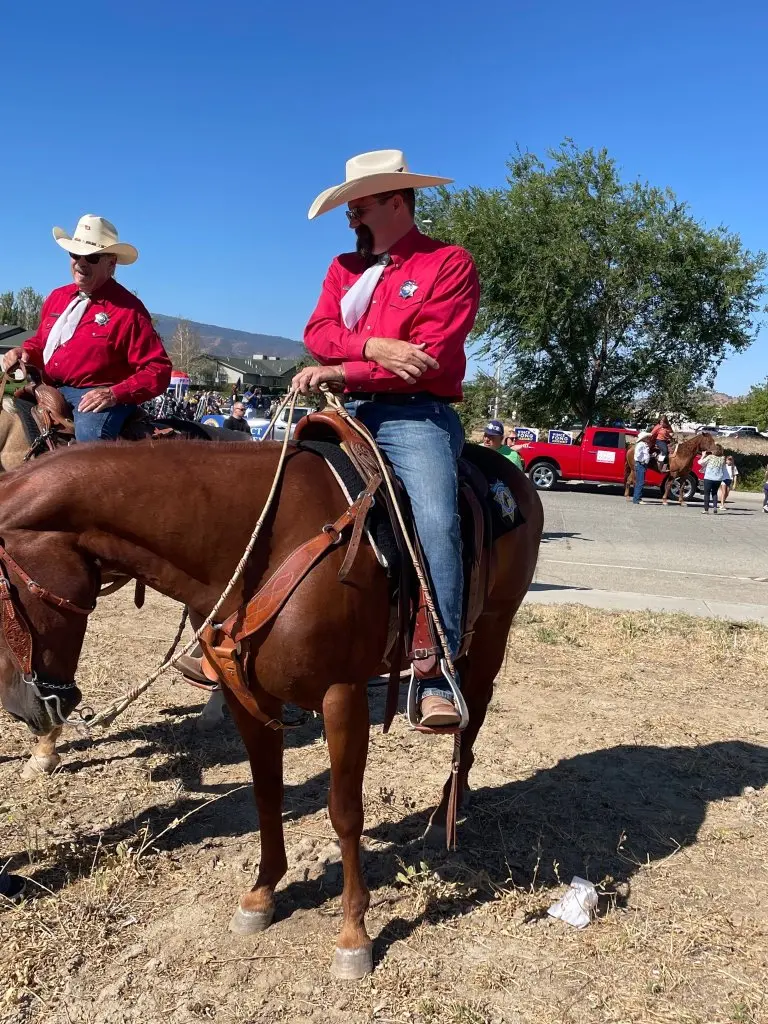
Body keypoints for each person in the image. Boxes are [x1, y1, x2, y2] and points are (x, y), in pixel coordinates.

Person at [295, 149, 480, 728]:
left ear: (396, 202)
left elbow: (426, 360)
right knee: (275, 493)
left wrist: (341, 366)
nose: (351, 217)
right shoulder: (343, 269)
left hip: (415, 416)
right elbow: (317, 331)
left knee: (435, 518)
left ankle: (436, 673)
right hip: (348, 408)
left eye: (361, 205)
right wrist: (371, 350)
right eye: (350, 206)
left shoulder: (448, 263)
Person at [1, 215, 171, 442]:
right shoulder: (58, 297)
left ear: (111, 264)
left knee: (90, 439)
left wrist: (114, 394)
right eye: (74, 254)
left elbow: (157, 369)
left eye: (91, 257)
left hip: (97, 396)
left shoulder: (129, 311)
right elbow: (42, 342)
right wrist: (25, 352)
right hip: (49, 385)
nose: (80, 262)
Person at [699, 444, 726, 514]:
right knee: (714, 493)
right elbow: (723, 468)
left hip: (709, 477)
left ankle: (706, 509)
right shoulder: (723, 458)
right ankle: (714, 507)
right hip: (718, 478)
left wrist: (703, 456)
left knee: (707, 494)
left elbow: (700, 462)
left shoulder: (710, 457)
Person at [632, 431, 651, 504]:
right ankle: (637, 499)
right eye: (647, 437)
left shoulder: (642, 444)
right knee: (640, 482)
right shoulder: (641, 444)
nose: (648, 438)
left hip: (641, 464)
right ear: (644, 438)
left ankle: (637, 498)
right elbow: (637, 454)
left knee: (640, 482)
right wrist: (642, 461)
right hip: (641, 464)